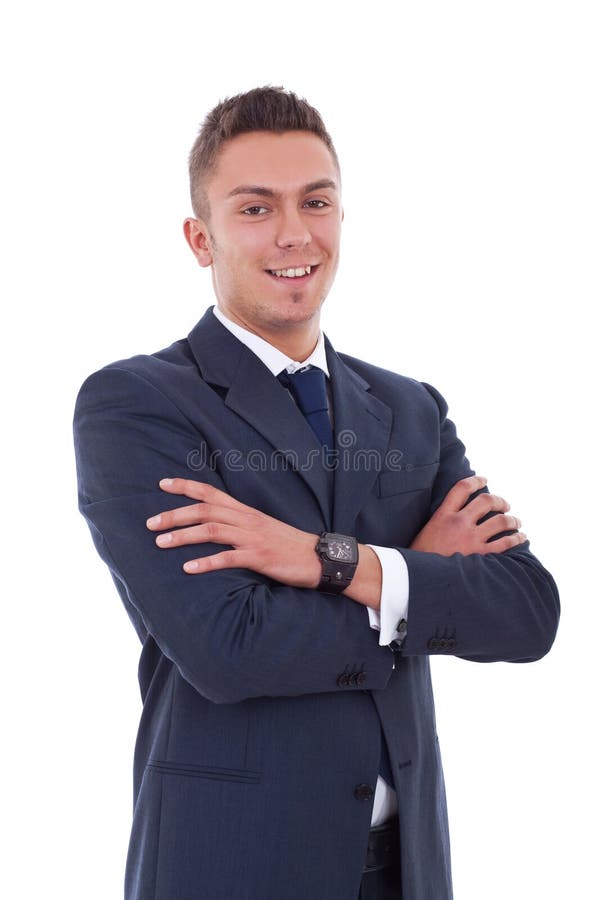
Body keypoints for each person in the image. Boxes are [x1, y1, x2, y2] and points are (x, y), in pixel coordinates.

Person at [73, 86, 560, 900]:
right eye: (256, 208)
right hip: (233, 865)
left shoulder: (409, 407)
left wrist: (329, 562)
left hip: (406, 870)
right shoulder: (138, 404)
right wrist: (412, 579)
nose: (294, 233)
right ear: (201, 238)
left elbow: (527, 613)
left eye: (316, 202)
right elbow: (229, 650)